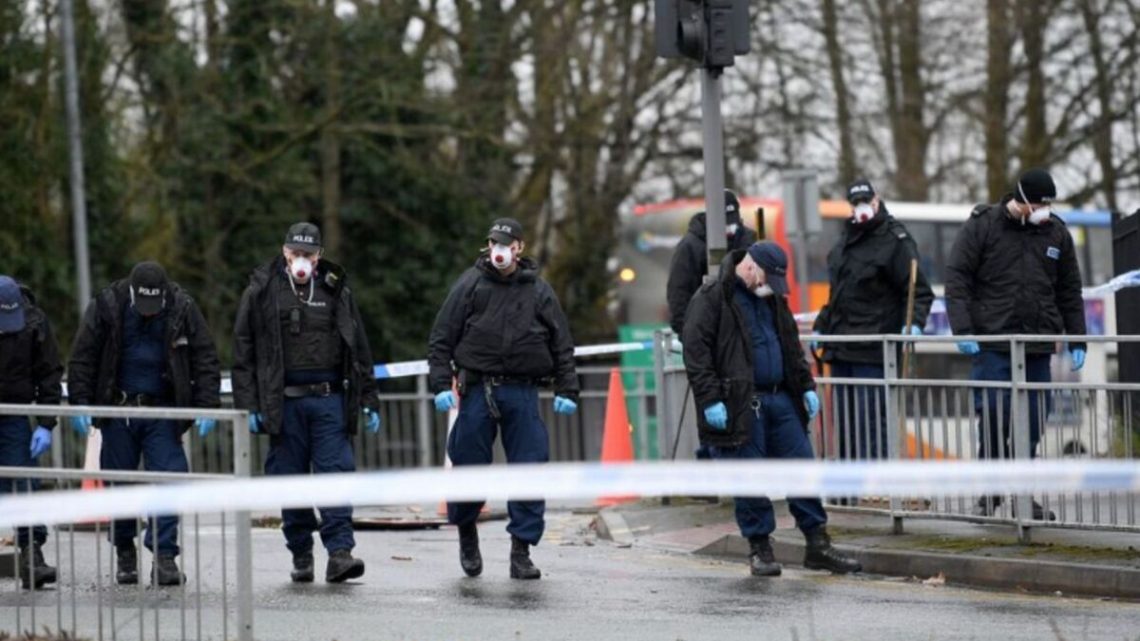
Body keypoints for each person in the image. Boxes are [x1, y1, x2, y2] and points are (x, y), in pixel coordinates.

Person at [682, 241, 862, 577]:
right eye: (766, 278)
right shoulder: (712, 298)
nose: (769, 287)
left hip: (781, 399)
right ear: (749, 267)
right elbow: (696, 354)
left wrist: (806, 386)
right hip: (740, 402)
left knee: (802, 469)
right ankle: (759, 548)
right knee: (749, 478)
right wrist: (709, 400)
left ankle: (817, 544)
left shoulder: (772, 300)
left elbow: (791, 346)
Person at [428, 217, 580, 580]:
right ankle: (467, 533)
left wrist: (567, 388)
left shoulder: (539, 290)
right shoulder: (470, 284)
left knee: (529, 467)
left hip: (522, 391)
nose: (499, 250)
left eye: (505, 244)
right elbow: (441, 338)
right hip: (478, 389)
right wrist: (438, 385)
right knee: (467, 462)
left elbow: (561, 343)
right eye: (494, 243)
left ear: (519, 248)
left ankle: (521, 551)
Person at [232, 222, 381, 583]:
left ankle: (340, 553)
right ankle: (300, 551)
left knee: (336, 474)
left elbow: (358, 345)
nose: (301, 261)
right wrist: (250, 403)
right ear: (285, 253)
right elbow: (243, 350)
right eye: (295, 254)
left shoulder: (336, 290)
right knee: (290, 479)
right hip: (284, 405)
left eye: (309, 255)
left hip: (329, 400)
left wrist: (367, 397)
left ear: (319, 257)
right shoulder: (263, 291)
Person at [68, 261, 221, 586]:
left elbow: (205, 357)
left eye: (155, 306)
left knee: (171, 479)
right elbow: (83, 356)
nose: (149, 313)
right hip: (119, 410)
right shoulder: (107, 305)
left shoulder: (183, 307)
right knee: (119, 484)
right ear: (133, 293)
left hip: (163, 412)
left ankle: (165, 556)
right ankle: (125, 549)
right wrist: (80, 402)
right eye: (143, 306)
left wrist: (207, 405)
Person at [945, 168, 1086, 520]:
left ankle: (1024, 495)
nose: (1044, 210)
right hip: (993, 343)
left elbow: (1069, 290)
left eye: (1048, 204)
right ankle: (990, 492)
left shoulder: (1057, 232)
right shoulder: (982, 226)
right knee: (994, 417)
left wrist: (1077, 337)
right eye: (1038, 203)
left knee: (1034, 422)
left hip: (1037, 345)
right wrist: (963, 330)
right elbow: (957, 278)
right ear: (1020, 199)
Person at [811, 179, 933, 460]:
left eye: (867, 201)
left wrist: (913, 322)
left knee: (871, 425)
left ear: (877, 201)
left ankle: (875, 489)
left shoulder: (896, 240)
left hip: (874, 352)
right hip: (842, 349)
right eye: (856, 203)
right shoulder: (845, 241)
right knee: (845, 427)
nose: (862, 208)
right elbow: (837, 295)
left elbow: (918, 291)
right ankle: (848, 494)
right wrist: (822, 325)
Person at [0, 275, 63, 589]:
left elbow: (49, 372)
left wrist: (46, 422)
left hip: (14, 415)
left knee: (25, 481)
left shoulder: (34, 323)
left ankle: (31, 555)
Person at [666, 189, 758, 336]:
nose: (729, 229)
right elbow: (679, 293)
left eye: (732, 222)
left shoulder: (749, 241)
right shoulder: (690, 247)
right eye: (725, 223)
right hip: (708, 331)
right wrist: (689, 335)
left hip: (746, 330)